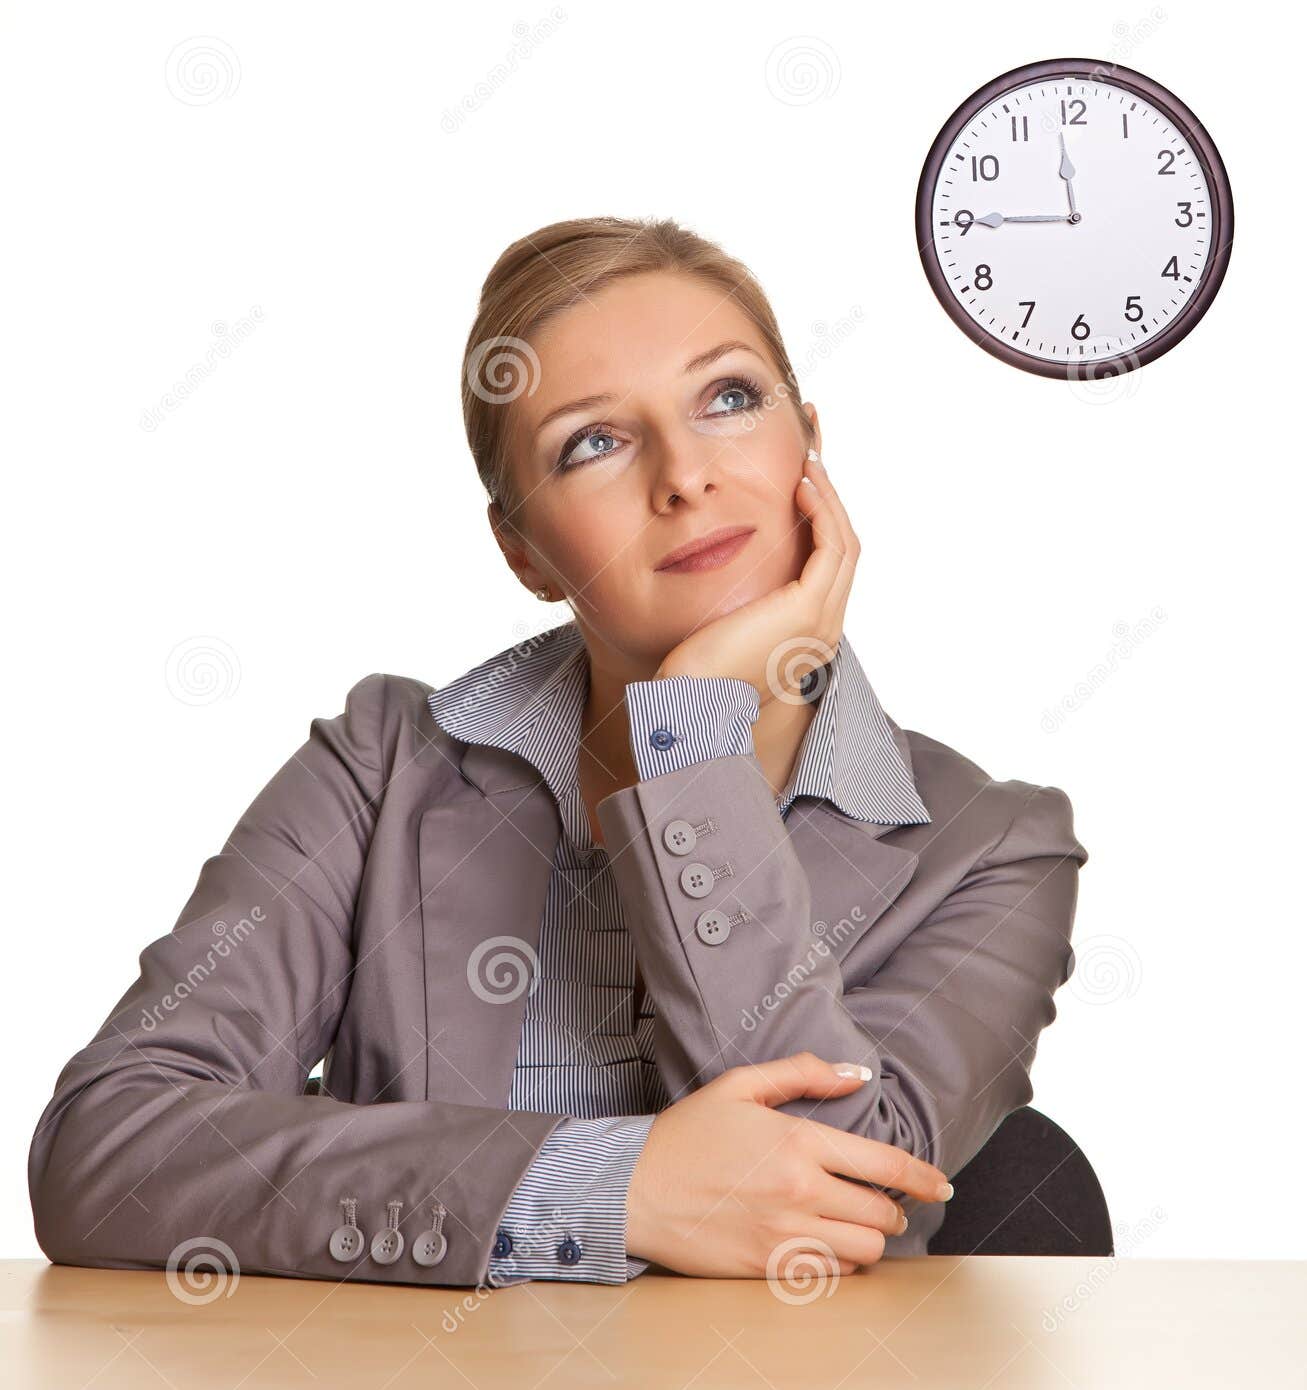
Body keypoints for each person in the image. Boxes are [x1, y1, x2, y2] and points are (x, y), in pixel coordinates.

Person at [28, 215, 1087, 1292]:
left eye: (727, 399)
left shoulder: (993, 850)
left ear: (805, 446)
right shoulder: (382, 767)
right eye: (594, 442)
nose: (683, 477)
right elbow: (107, 1147)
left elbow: (841, 1201)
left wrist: (683, 749)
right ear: (523, 549)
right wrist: (609, 1185)